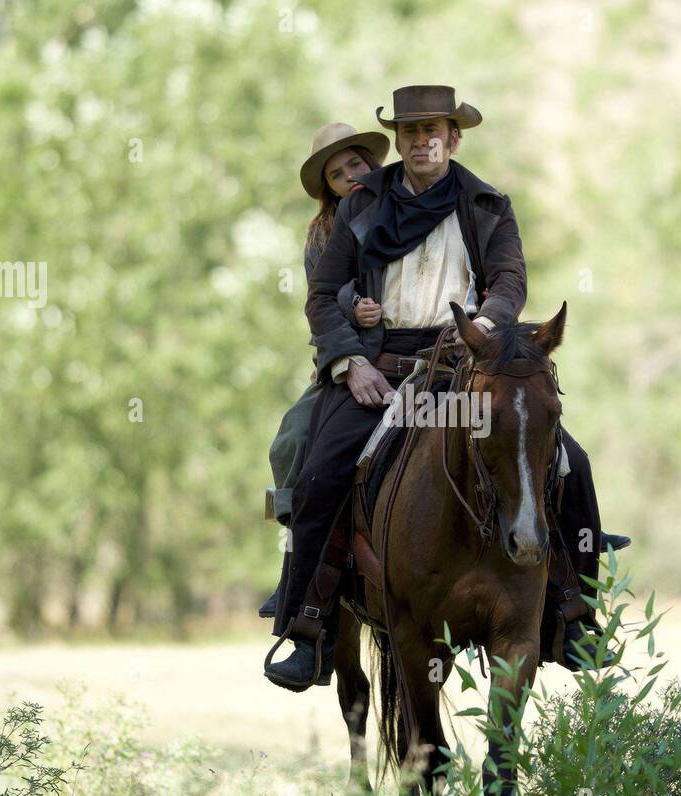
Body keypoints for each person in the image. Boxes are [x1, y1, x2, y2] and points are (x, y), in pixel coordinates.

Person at [265, 87, 626, 691]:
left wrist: (486, 323)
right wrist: (351, 363)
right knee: (321, 472)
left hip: (462, 364)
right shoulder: (363, 204)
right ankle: (309, 627)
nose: (421, 142)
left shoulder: (487, 204)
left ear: (453, 138)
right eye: (410, 132)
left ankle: (574, 614)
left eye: (432, 130)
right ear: (398, 141)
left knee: (569, 462)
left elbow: (510, 279)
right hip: (379, 369)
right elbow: (323, 296)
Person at [258, 123, 389, 618]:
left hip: (416, 349)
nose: (350, 175)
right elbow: (321, 298)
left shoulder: (404, 207)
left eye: (355, 163)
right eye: (337, 174)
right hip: (348, 355)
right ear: (328, 187)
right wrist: (353, 308)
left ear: (371, 163)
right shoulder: (321, 235)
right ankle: (295, 564)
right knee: (293, 437)